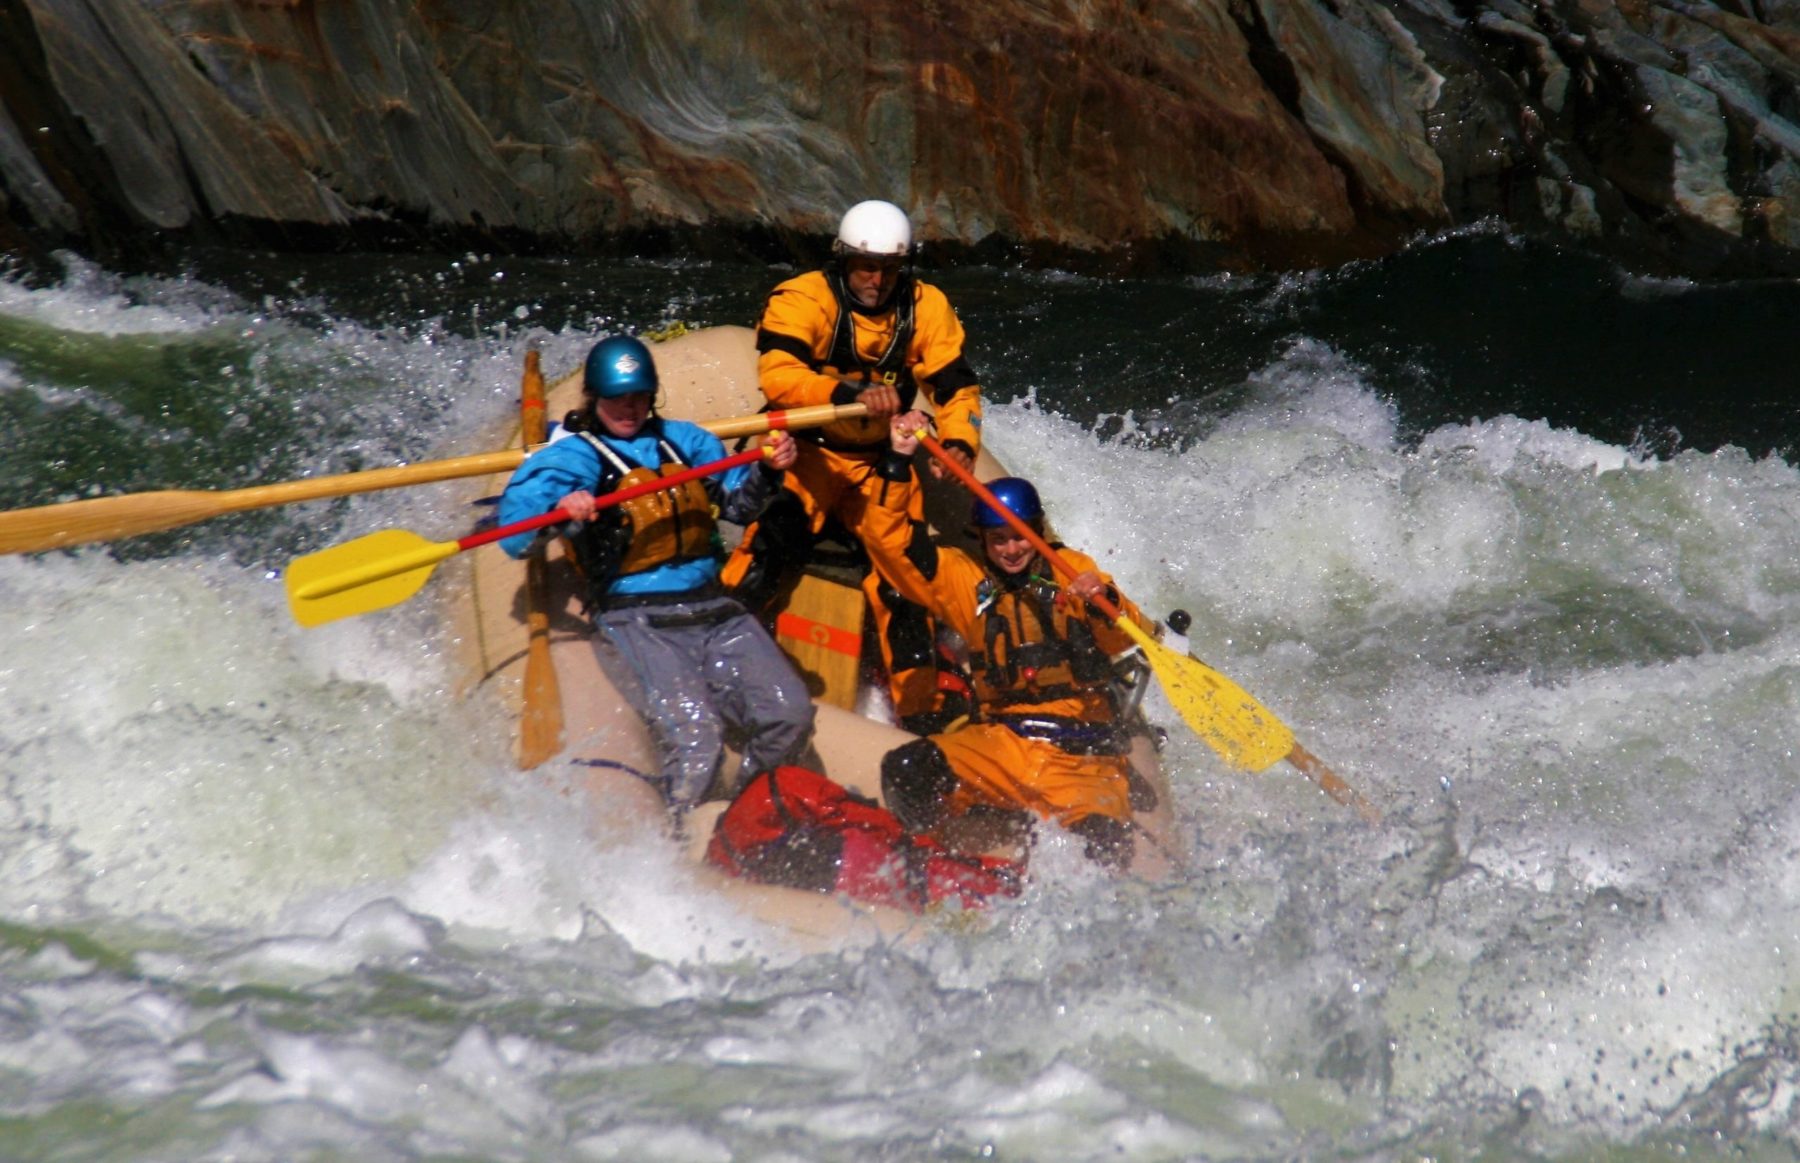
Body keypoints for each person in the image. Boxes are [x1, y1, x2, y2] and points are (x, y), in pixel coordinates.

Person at [497, 335, 816, 820]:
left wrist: (768, 471)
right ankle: (681, 831)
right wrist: (562, 513)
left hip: (714, 610)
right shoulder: (574, 457)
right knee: (698, 737)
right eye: (617, 398)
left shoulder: (686, 441)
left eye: (639, 397)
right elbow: (514, 536)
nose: (629, 408)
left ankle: (746, 817)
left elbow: (739, 505)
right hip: (635, 618)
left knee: (790, 714)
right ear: (595, 398)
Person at [722, 199, 986, 730]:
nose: (877, 280)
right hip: (808, 455)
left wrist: (959, 441)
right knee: (772, 545)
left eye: (890, 269)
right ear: (843, 260)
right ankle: (721, 663)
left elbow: (956, 388)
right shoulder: (804, 297)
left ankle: (920, 713)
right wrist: (848, 392)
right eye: (867, 267)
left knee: (902, 581)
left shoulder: (925, 305)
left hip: (880, 463)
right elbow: (779, 375)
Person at [859, 412, 1155, 871]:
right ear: (983, 541)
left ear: (1037, 531)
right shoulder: (964, 578)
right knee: (909, 769)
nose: (1011, 550)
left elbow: (1124, 634)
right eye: (999, 541)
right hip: (1003, 745)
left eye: (1020, 538)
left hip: (1082, 758)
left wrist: (1102, 601)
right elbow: (889, 543)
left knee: (1104, 855)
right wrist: (897, 461)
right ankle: (934, 863)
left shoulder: (1072, 570)